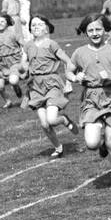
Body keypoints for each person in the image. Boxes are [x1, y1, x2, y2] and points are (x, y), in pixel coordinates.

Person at [70, 13, 111, 187]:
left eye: (98, 29)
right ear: (85, 32)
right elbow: (69, 71)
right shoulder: (79, 52)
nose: (95, 33)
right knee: (91, 143)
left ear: (105, 30)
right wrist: (76, 77)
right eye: (91, 30)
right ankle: (101, 144)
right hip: (91, 99)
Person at [20, 15, 78, 158]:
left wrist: (69, 80)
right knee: (45, 124)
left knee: (52, 120)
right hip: (35, 86)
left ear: (46, 28)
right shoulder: (27, 46)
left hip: (52, 83)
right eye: (33, 25)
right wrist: (23, 69)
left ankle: (64, 119)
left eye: (39, 25)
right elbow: (23, 63)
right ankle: (58, 148)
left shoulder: (51, 44)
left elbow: (67, 61)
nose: (36, 27)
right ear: (29, 29)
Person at [0, 13, 26, 107]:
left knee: (13, 81)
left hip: (14, 62)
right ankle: (8, 101)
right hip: (0, 64)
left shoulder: (14, 34)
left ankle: (16, 87)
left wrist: (27, 51)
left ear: (7, 23)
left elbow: (24, 44)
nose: (0, 23)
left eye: (2, 21)